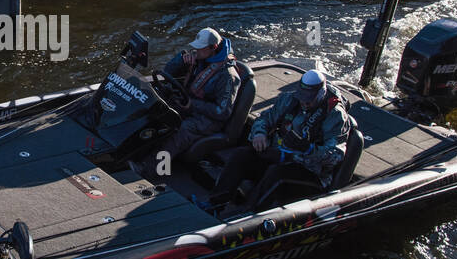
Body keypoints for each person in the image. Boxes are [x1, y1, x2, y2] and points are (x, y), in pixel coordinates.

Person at [211, 69, 354, 211]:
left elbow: (336, 155)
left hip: (309, 171)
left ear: (321, 93)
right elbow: (265, 118)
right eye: (302, 97)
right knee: (241, 156)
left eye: (309, 99)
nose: (304, 102)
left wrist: (307, 149)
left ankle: (249, 215)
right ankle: (216, 203)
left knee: (277, 174)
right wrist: (259, 134)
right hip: (280, 155)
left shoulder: (335, 116)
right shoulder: (290, 100)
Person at [133, 27, 239, 178]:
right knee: (159, 111)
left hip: (208, 118)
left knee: (182, 130)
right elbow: (167, 71)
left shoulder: (228, 76)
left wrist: (192, 105)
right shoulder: (201, 58)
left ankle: (153, 170)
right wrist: (180, 61)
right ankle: (136, 152)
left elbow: (222, 112)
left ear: (213, 48)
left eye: (200, 49)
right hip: (190, 105)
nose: (196, 51)